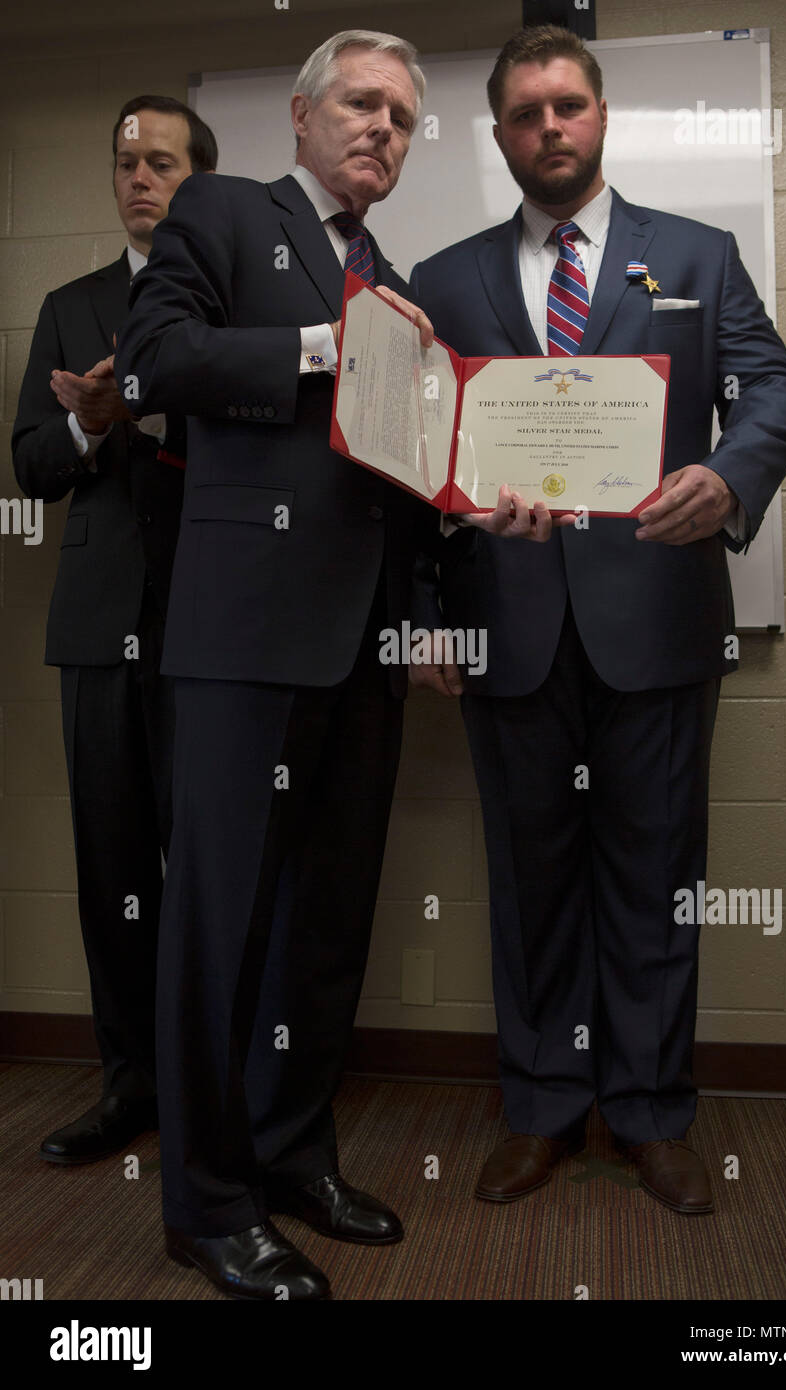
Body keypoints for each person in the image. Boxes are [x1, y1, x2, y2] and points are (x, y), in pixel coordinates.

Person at [115, 29, 561, 1303]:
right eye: (362, 105)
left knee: (323, 921)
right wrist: (324, 346)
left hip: (362, 648)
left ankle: (291, 1153)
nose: (383, 129)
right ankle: (203, 1207)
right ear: (302, 115)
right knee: (216, 927)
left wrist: (471, 512)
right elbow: (154, 365)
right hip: (242, 641)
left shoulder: (392, 276)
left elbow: (402, 475)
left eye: (406, 119)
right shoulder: (220, 212)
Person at [410, 25, 786, 1216]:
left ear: (600, 115)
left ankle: (644, 1113)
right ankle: (539, 1108)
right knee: (529, 883)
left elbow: (774, 389)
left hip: (657, 619)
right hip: (508, 626)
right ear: (497, 134)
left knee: (652, 878)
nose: (550, 128)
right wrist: (429, 613)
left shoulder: (694, 254)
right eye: (525, 112)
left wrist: (731, 475)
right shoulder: (443, 279)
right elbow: (414, 466)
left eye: (568, 106)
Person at [12, 96, 217, 1166]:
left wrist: (161, 407)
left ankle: (208, 1092)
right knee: (112, 868)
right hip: (98, 628)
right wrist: (89, 423)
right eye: (126, 162)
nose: (140, 177)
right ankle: (126, 1085)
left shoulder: (231, 302)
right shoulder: (69, 303)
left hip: (210, 625)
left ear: (201, 181)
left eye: (163, 162)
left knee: (211, 871)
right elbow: (30, 466)